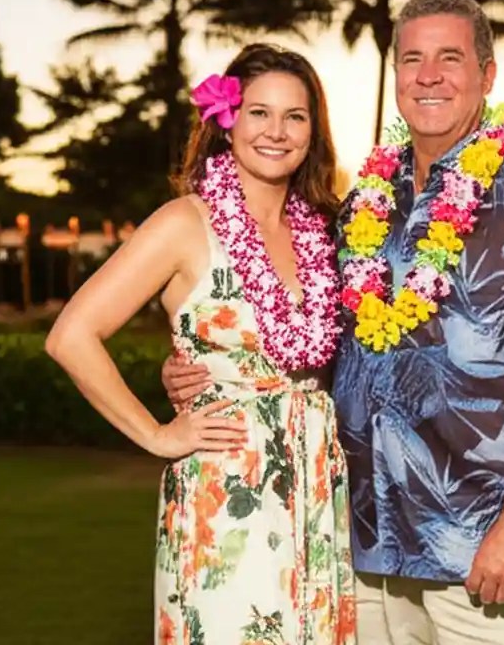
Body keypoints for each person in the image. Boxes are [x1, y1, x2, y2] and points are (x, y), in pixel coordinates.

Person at [163, 0, 504, 645]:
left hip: (487, 554)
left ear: (487, 76)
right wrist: (201, 365)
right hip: (363, 552)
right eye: (412, 59)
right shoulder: (364, 206)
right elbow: (304, 335)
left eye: (450, 58)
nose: (428, 75)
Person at [46, 43, 357, 645]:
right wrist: (158, 435)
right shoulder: (184, 224)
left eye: (295, 116)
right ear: (227, 120)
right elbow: (72, 336)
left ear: (312, 131)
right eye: (259, 112)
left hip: (316, 491)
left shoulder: (323, 228)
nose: (277, 131)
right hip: (226, 489)